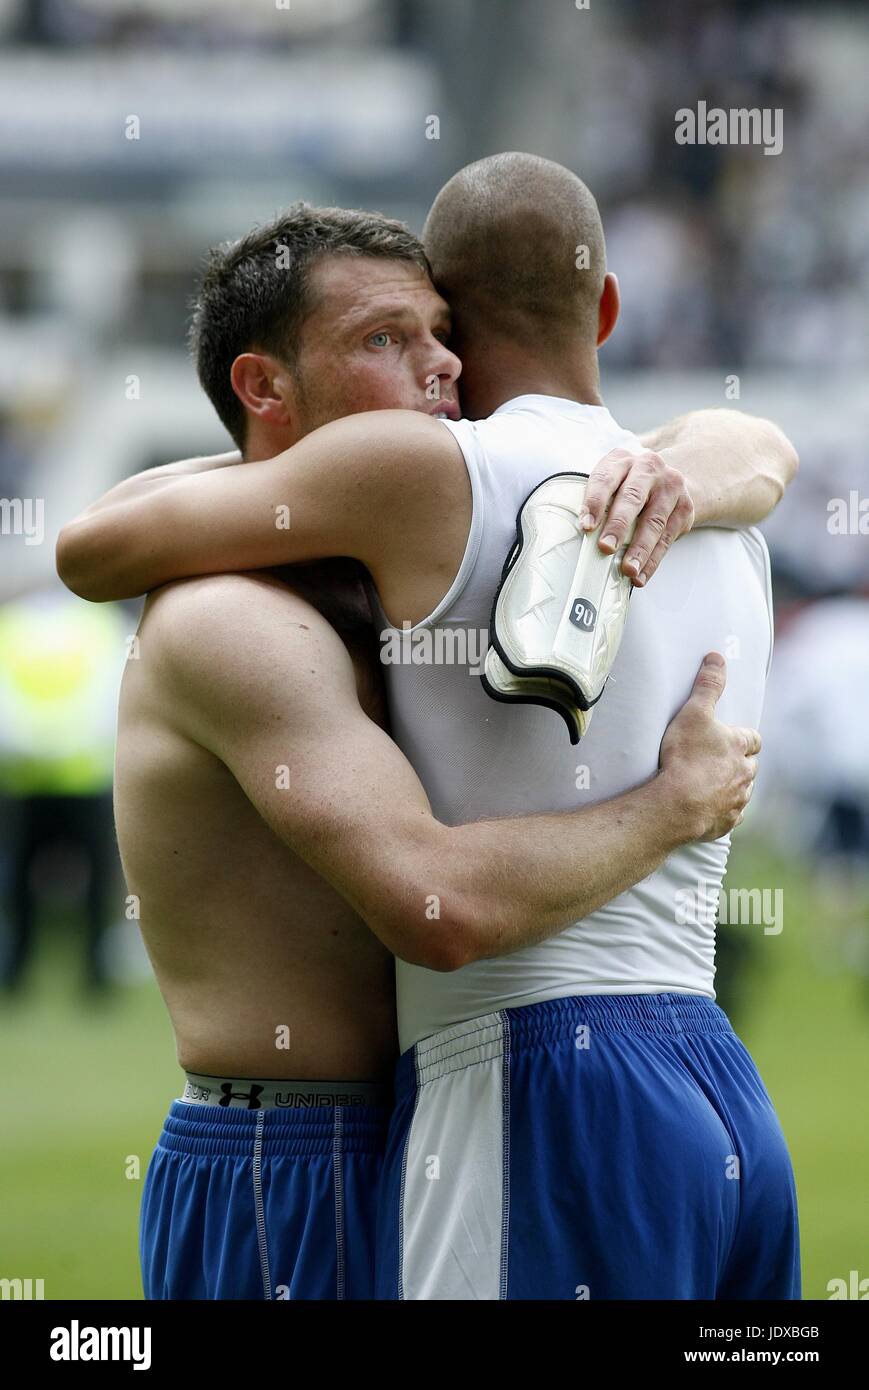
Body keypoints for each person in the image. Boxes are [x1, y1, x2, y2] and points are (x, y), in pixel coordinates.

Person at [57, 171, 797, 1300]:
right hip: (291, 1158)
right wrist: (669, 806)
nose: (443, 365)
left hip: (456, 1107)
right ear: (266, 384)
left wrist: (700, 460)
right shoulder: (230, 614)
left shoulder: (408, 552)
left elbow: (750, 446)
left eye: (444, 331)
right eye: (389, 338)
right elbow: (435, 903)